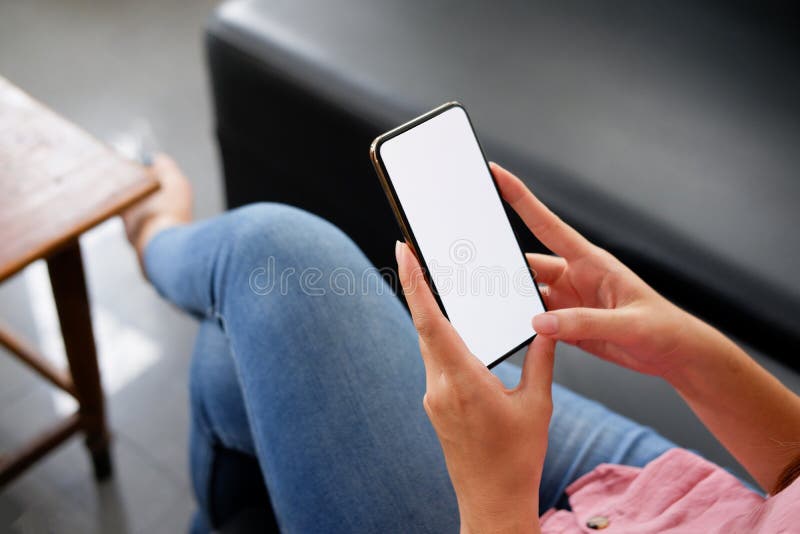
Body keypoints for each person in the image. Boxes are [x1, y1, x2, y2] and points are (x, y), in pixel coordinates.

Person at [123, 155, 800, 533]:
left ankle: (152, 235)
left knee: (266, 256)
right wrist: (689, 356)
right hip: (685, 502)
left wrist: (496, 504)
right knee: (240, 351)